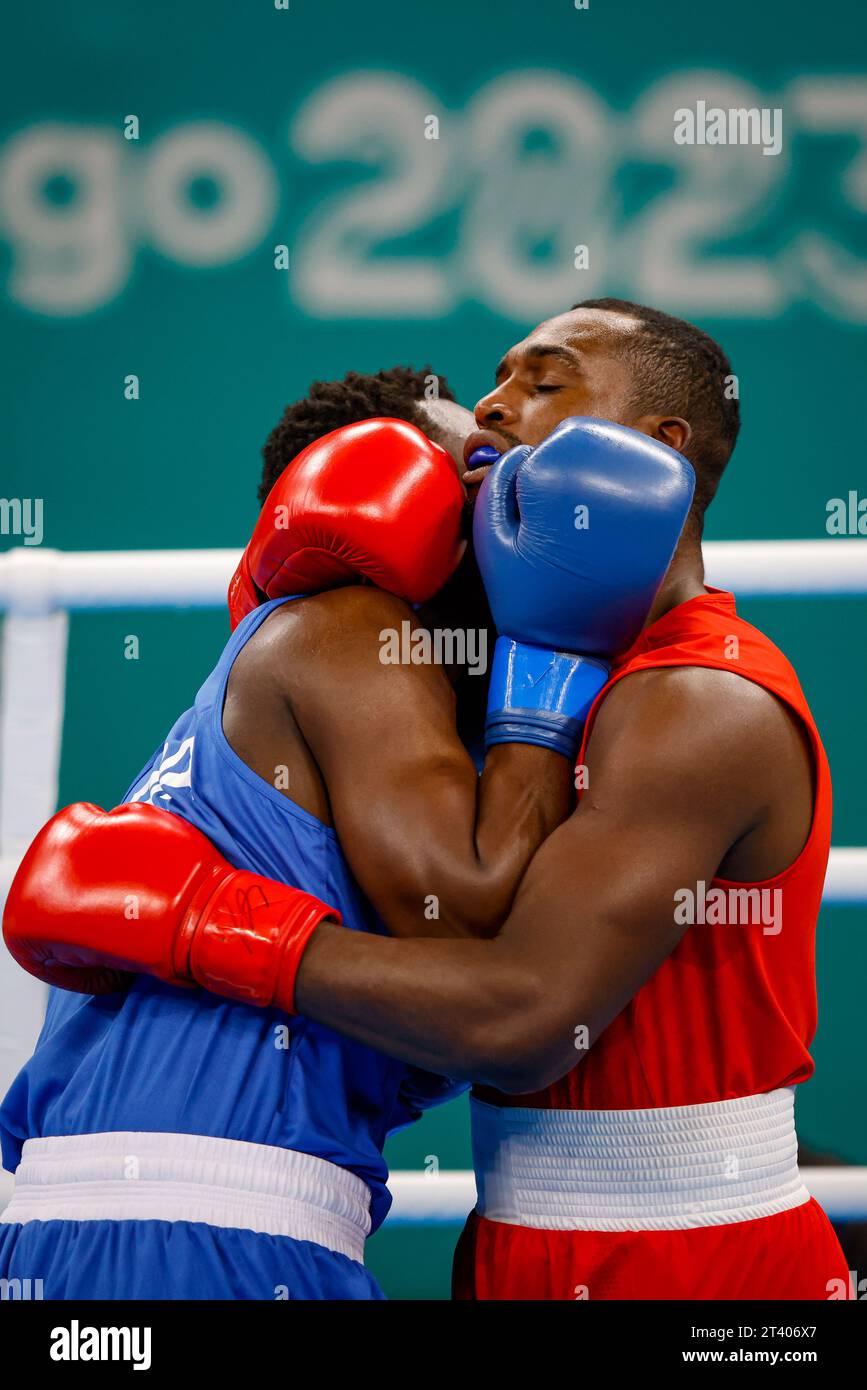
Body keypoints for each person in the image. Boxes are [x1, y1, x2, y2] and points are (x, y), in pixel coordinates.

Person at [11, 299, 844, 1300]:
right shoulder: (377, 646)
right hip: (470, 1237)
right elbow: (469, 952)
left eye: (542, 384)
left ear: (654, 449)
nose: (493, 409)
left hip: (669, 1255)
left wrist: (206, 921)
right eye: (487, 397)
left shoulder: (693, 698)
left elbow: (520, 1015)